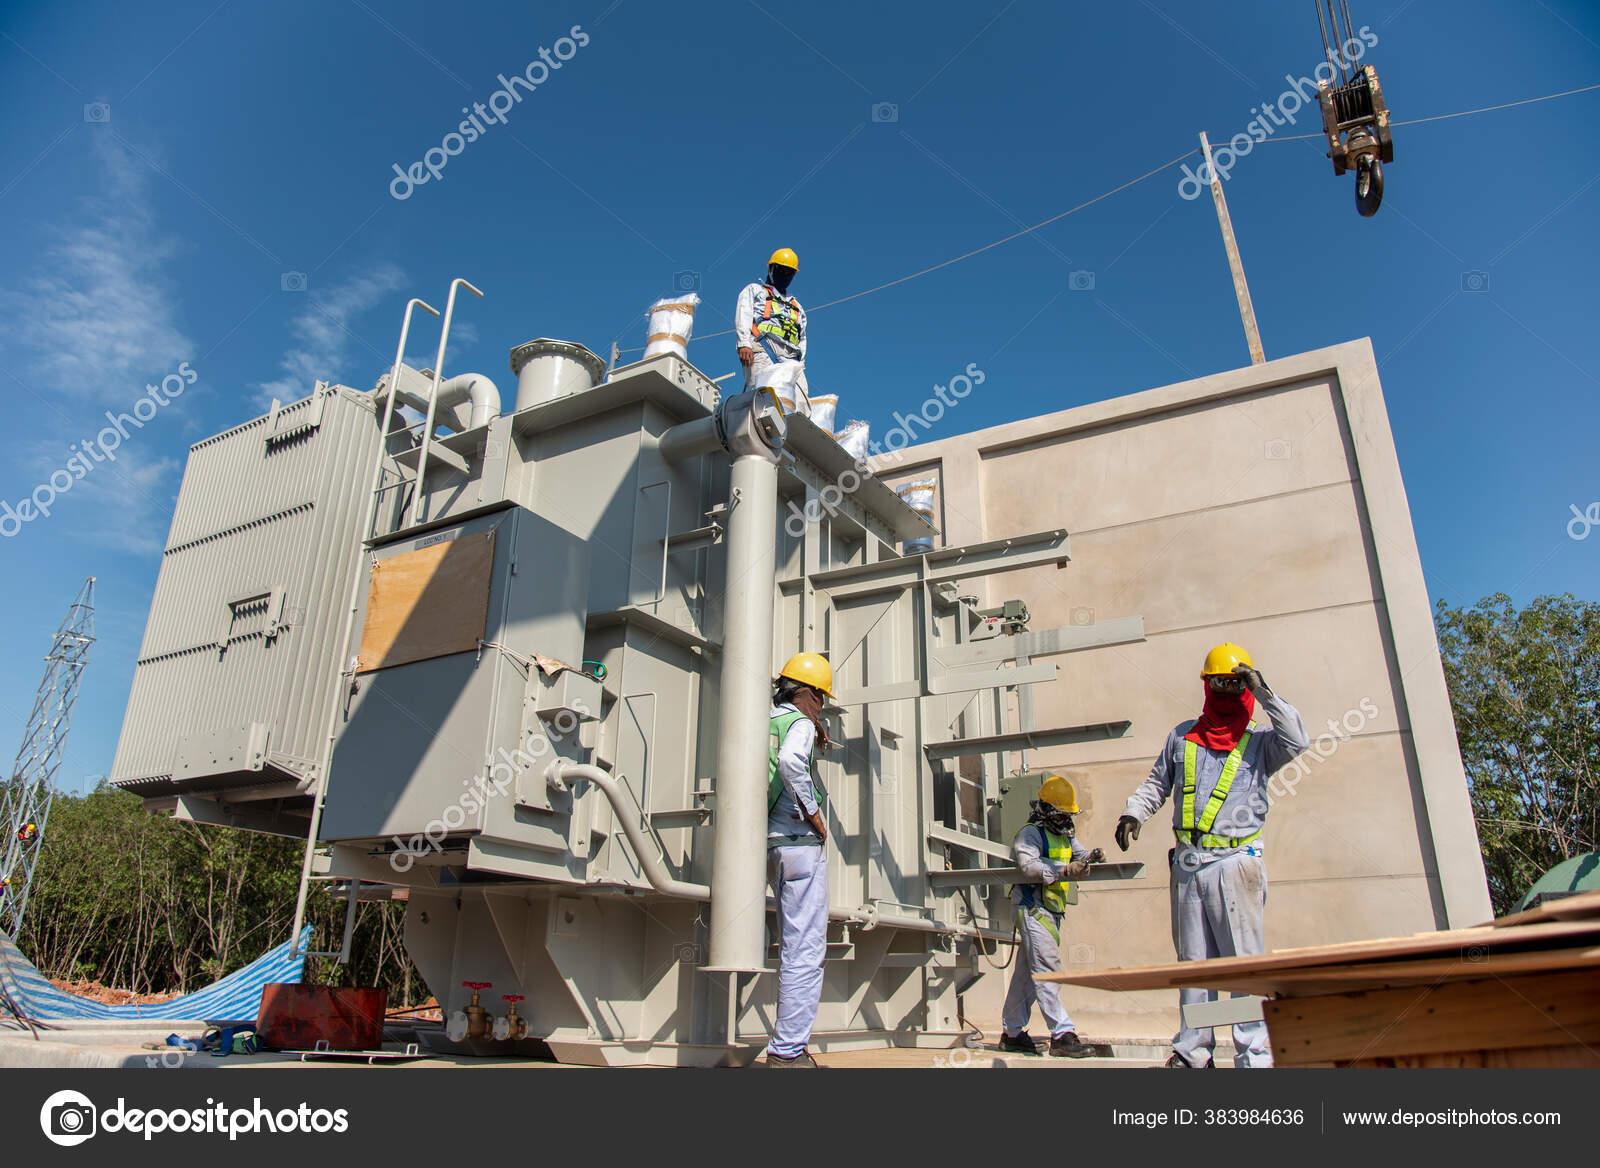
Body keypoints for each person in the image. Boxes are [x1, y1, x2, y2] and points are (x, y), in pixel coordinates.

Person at [1114, 642, 1309, 1068]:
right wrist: (1134, 812)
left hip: (1234, 863)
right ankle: (1194, 1053)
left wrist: (1264, 692)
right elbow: (1156, 784)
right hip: (1188, 864)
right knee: (1195, 968)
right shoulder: (1183, 736)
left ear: (1244, 686)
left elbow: (1298, 739)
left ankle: (1253, 1056)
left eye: (1232, 683)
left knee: (1242, 967)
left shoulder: (1260, 741)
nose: (1223, 690)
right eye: (1216, 682)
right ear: (1205, 686)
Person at [763, 651, 834, 1068]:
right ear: (806, 693)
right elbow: (791, 762)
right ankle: (788, 1051)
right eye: (821, 698)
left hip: (767, 843)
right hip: (799, 845)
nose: (821, 707)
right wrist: (814, 814)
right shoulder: (802, 724)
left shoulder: (767, 720)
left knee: (788, 944)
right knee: (804, 948)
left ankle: (786, 1047)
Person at [999, 775, 1103, 1057]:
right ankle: (1062, 1034)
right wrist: (1064, 870)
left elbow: (1080, 856)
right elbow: (1028, 866)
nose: (1065, 820)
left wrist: (1090, 859)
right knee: (1048, 971)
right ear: (1046, 810)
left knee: (1025, 975)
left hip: (1051, 911)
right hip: (1033, 910)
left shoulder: (1065, 834)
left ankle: (1012, 1033)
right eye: (1061, 814)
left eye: (1068, 815)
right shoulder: (1030, 833)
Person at [736, 248, 807, 401]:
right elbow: (744, 313)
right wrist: (744, 343)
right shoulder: (755, 290)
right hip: (764, 347)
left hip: (792, 357)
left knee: (799, 403)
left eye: (789, 273)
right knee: (765, 398)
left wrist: (801, 363)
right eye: (781, 270)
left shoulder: (797, 306)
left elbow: (802, 337)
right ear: (771, 268)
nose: (785, 275)